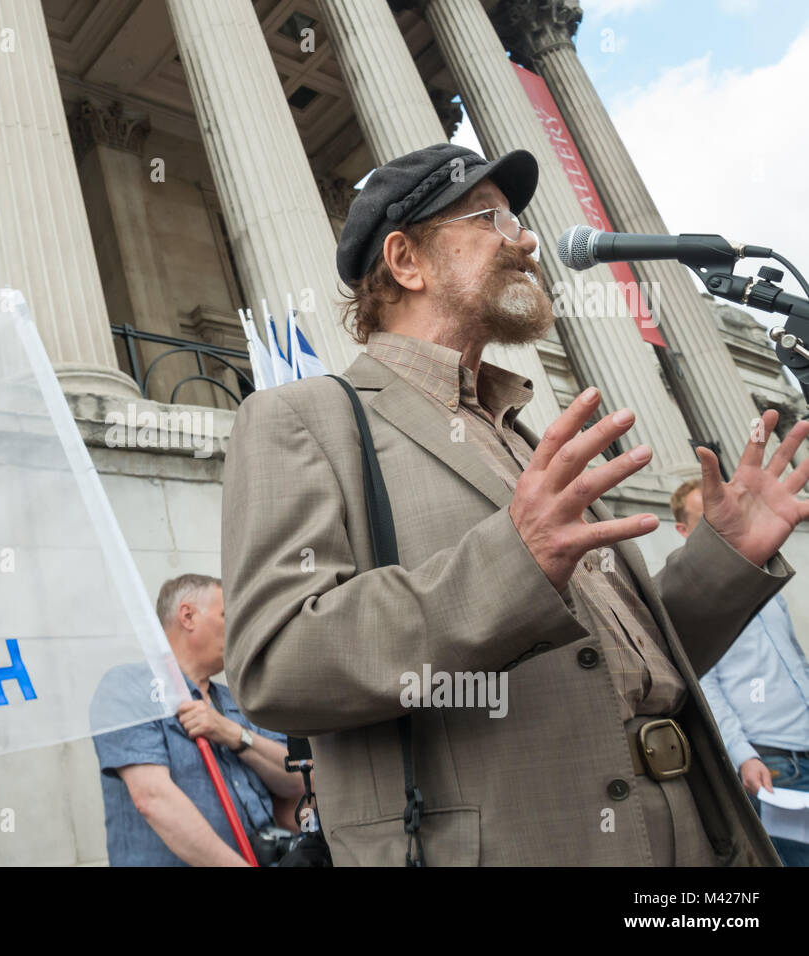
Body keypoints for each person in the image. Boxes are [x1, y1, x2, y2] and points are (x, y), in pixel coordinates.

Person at [221, 142, 809, 866]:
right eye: (493, 218)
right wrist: (511, 561)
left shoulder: (522, 435)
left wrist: (724, 559)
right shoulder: (303, 417)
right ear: (407, 261)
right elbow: (277, 664)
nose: (527, 238)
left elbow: (620, 664)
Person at [89, 574, 304, 866]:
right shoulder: (130, 687)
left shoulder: (239, 702)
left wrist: (234, 735)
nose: (239, 629)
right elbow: (153, 798)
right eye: (227, 615)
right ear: (188, 616)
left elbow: (297, 782)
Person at [674, 477, 809, 865]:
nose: (722, 531)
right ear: (683, 531)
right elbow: (705, 685)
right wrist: (743, 755)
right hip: (774, 766)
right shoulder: (691, 597)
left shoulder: (764, 581)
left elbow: (794, 662)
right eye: (708, 523)